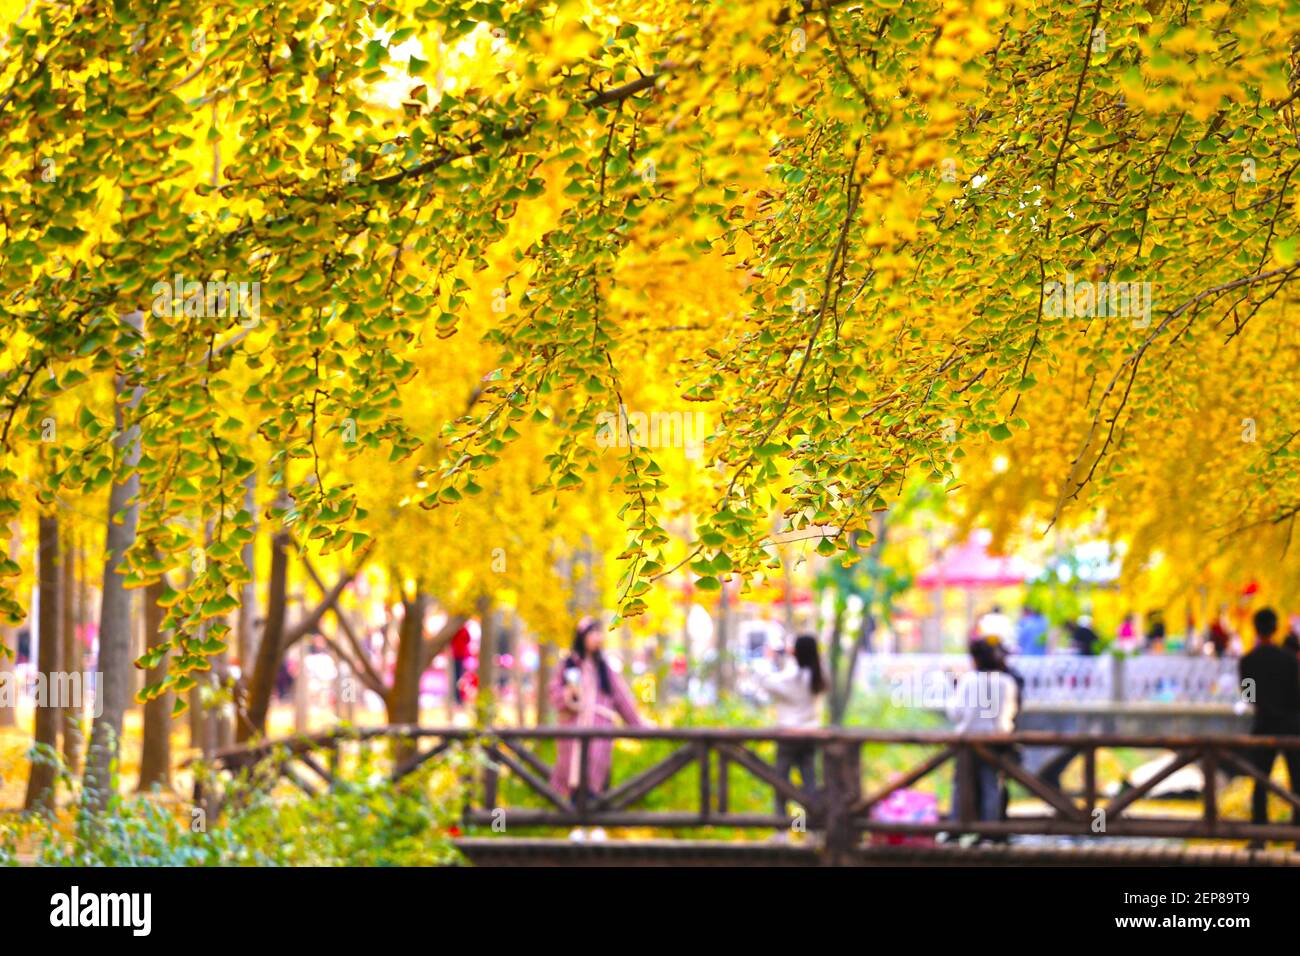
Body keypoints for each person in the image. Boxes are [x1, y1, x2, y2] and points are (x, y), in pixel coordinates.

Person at [549, 618, 646, 841]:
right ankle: (577, 825)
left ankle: (597, 823)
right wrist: (567, 696)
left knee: (597, 772)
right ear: (582, 637)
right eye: (593, 633)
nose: (597, 638)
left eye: (599, 634)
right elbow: (554, 693)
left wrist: (639, 726)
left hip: (599, 729)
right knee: (573, 775)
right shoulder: (568, 665)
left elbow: (622, 698)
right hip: (573, 729)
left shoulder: (606, 667)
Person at [1238, 607, 1300, 846]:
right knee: (1298, 783)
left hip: (1263, 726)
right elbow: (1296, 695)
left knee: (1260, 781)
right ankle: (1297, 837)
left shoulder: (1248, 662)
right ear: (1275, 628)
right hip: (1291, 728)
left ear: (1256, 628)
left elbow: (1249, 696)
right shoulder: (1289, 661)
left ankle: (1259, 837)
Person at [947, 637, 1021, 835]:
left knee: (961, 785)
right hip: (995, 741)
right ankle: (991, 829)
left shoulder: (969, 680)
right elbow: (1010, 713)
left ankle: (956, 826)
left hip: (967, 741)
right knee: (991, 786)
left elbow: (955, 713)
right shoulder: (1006, 682)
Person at [757, 634, 826, 830]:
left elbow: (766, 681)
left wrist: (770, 658)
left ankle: (782, 830)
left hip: (788, 736)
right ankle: (807, 828)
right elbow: (808, 667)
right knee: (809, 785)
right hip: (810, 735)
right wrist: (792, 656)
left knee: (781, 782)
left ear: (795, 652)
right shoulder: (817, 676)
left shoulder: (789, 679)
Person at [449, 622, 472, 705]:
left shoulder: (458, 630)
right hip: (460, 655)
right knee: (460, 677)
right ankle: (459, 698)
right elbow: (468, 639)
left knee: (459, 677)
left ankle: (460, 698)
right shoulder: (463, 630)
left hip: (459, 655)